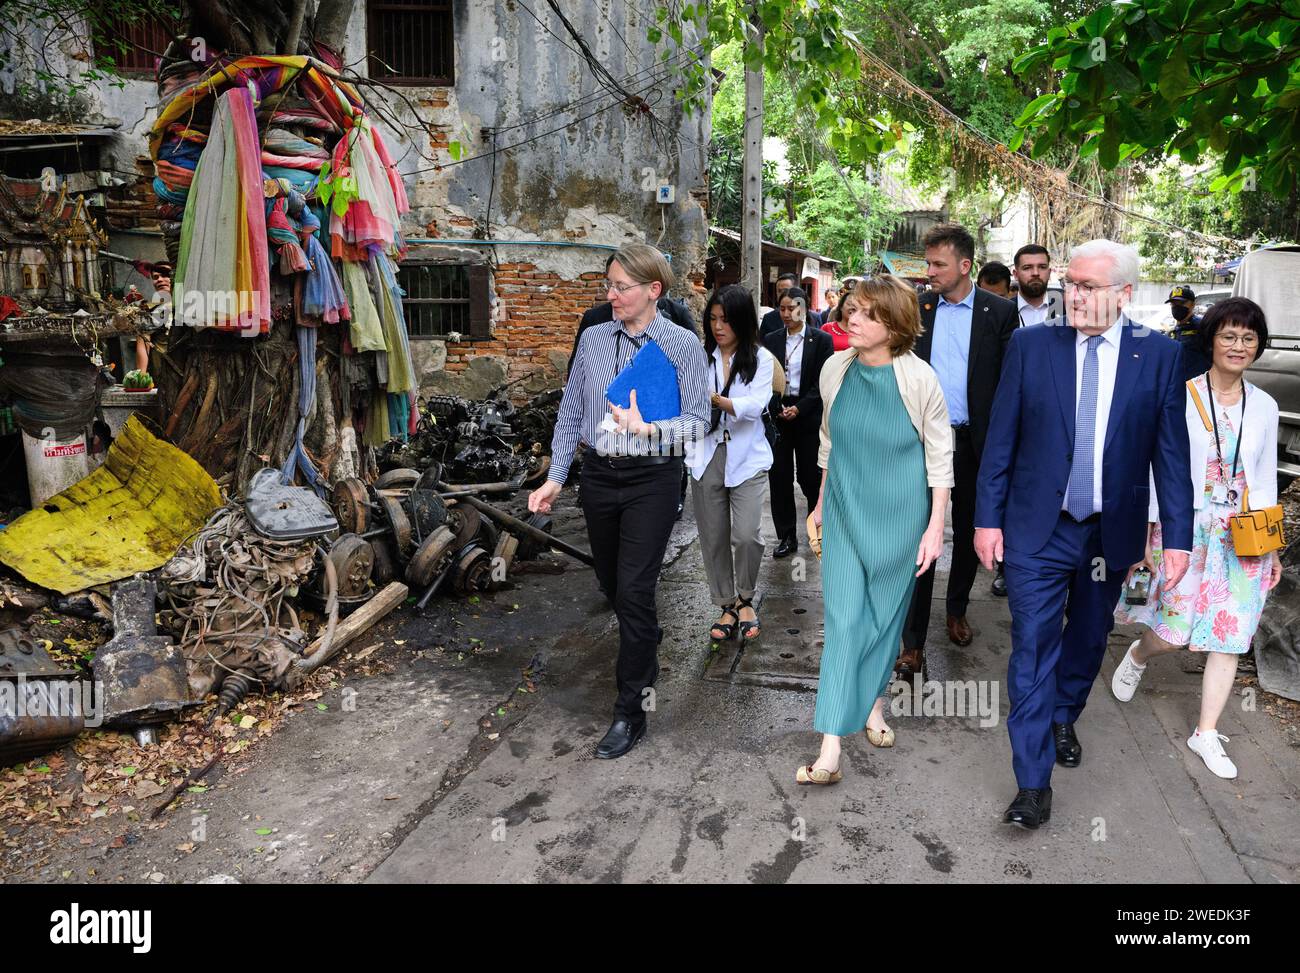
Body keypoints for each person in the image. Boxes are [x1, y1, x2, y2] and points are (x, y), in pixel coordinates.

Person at [975, 238, 1194, 829]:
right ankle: (1032, 783)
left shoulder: (1160, 357)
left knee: (1090, 636)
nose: (1073, 294)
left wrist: (1178, 537)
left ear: (1124, 294)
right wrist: (986, 519)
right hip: (1036, 529)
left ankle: (1065, 712)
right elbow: (1002, 440)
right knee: (1032, 648)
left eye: (1088, 286)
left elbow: (1171, 456)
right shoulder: (1030, 345)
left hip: (1110, 530)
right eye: (1071, 283)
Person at [530, 243, 710, 760]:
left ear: (653, 290)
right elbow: (570, 412)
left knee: (633, 589)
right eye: (607, 285)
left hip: (653, 479)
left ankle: (629, 710)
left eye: (620, 287)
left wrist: (648, 427)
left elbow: (698, 423)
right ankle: (645, 633)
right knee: (611, 582)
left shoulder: (680, 346)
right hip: (599, 479)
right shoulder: (591, 340)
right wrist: (556, 478)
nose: (610, 295)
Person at [1112, 297, 1282, 779]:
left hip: (1241, 533)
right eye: (1228, 335)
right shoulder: (1180, 395)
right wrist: (1147, 528)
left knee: (1229, 636)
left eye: (1248, 338)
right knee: (1175, 630)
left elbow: (1265, 477)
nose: (1238, 346)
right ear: (1210, 340)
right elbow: (1154, 465)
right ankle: (1140, 652)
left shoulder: (1265, 406)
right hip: (1185, 527)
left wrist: (1269, 547)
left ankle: (1205, 731)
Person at [795, 275, 952, 785]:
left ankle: (874, 706)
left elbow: (940, 459)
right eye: (850, 310)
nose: (850, 319)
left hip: (900, 520)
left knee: (884, 626)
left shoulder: (919, 379)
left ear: (894, 324)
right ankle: (830, 747)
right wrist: (819, 502)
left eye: (865, 313)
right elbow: (827, 440)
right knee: (844, 623)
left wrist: (935, 528)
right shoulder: (835, 367)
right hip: (844, 511)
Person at [900, 223, 1017, 677]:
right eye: (928, 263)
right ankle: (912, 640)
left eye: (938, 264)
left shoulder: (999, 313)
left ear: (964, 266)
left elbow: (1011, 384)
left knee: (969, 531)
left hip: (973, 442)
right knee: (920, 534)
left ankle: (956, 609)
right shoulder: (918, 308)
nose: (929, 272)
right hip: (923, 442)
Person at [688, 285, 775, 643]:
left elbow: (756, 405)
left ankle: (747, 596)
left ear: (742, 321)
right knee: (714, 537)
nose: (718, 326)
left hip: (747, 457)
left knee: (747, 536)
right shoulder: (699, 357)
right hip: (706, 454)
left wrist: (717, 401)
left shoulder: (760, 359)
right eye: (712, 319)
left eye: (726, 320)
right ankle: (727, 603)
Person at [762, 286, 834, 558]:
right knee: (779, 478)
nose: (788, 313)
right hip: (779, 417)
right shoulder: (771, 339)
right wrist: (777, 406)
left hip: (807, 417)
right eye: (782, 308)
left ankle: (819, 530)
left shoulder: (821, 340)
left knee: (809, 477)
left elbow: (822, 382)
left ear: (804, 308)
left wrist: (800, 408)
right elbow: (764, 377)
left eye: (793, 308)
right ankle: (786, 536)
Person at [1166, 284, 1211, 381]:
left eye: (1181, 303)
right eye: (1174, 304)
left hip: (1199, 385)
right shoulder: (1173, 331)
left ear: (1192, 305)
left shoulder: (1203, 326)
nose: (1177, 307)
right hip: (1178, 384)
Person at [1011, 244, 1062, 327]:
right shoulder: (1003, 312)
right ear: (1016, 274)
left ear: (1049, 273)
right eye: (1027, 268)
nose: (1036, 273)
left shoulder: (1066, 310)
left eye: (1042, 267)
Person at [819, 287, 854, 351]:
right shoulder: (826, 328)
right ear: (841, 307)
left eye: (856, 305)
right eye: (849, 304)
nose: (852, 307)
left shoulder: (863, 330)